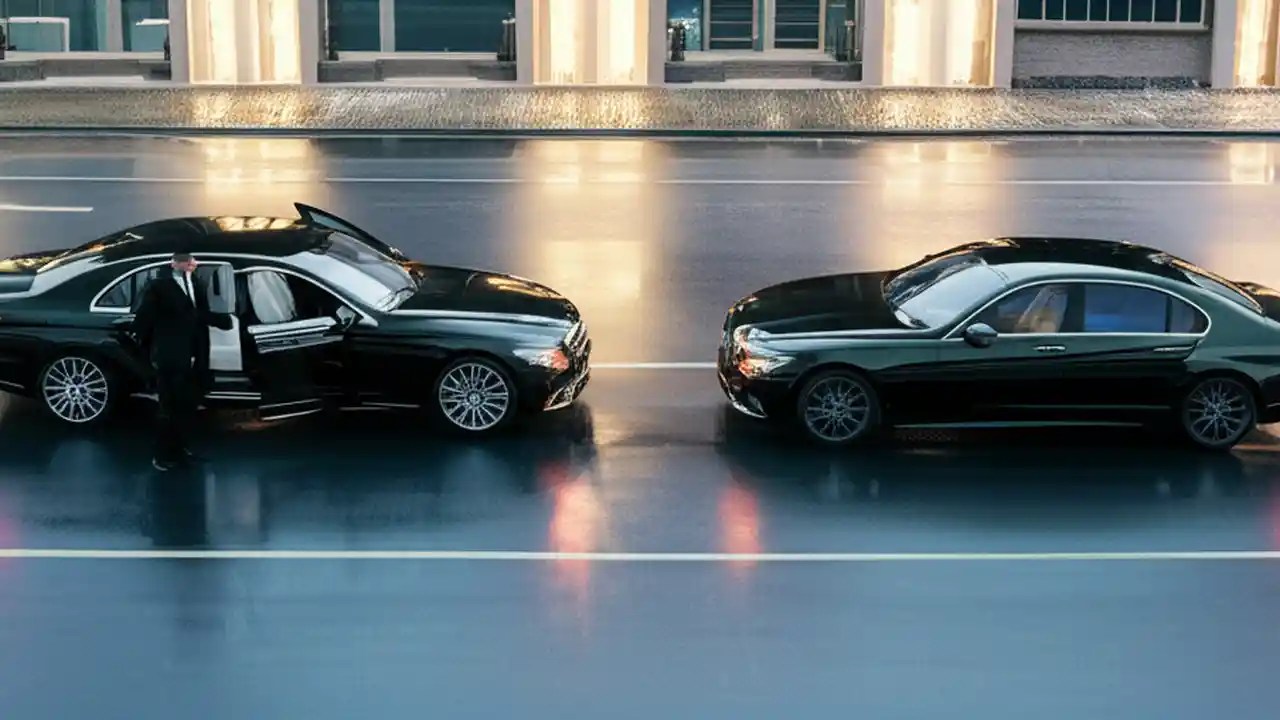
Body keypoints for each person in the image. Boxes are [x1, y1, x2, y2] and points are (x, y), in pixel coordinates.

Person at [132, 252, 233, 471]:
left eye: (192, 261)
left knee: (186, 405)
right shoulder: (158, 286)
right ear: (176, 264)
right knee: (168, 407)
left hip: (194, 354)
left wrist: (221, 321)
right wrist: (151, 352)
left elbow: (197, 314)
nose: (193, 264)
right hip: (169, 356)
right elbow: (143, 321)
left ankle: (181, 451)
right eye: (188, 261)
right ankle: (162, 455)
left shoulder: (196, 283)